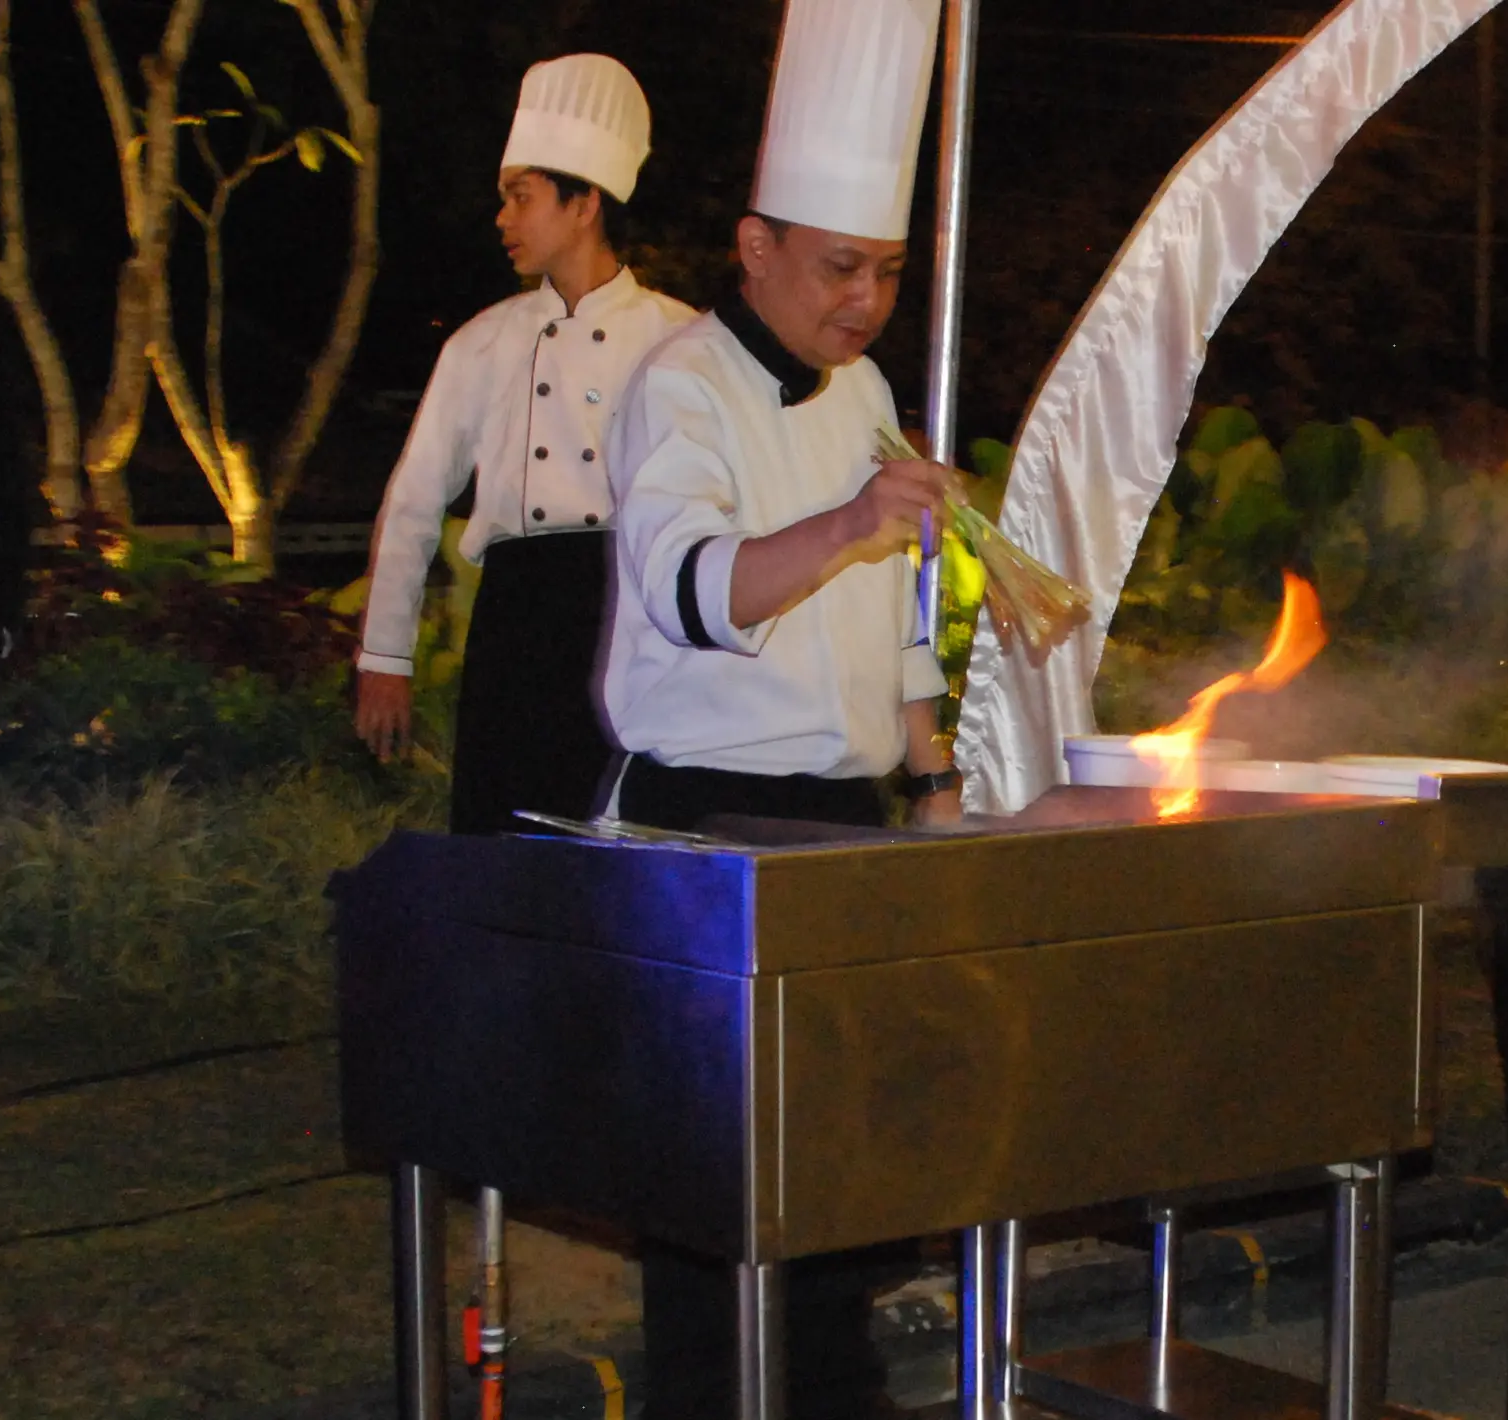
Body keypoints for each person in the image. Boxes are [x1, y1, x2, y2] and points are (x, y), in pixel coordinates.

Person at [599, 2, 956, 1412]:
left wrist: (928, 781)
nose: (863, 301)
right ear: (755, 248)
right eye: (839, 268)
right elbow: (690, 590)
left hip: (841, 819)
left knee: (847, 1194)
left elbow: (904, 618)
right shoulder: (676, 386)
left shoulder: (864, 383)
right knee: (715, 1203)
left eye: (883, 271)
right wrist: (849, 519)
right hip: (706, 828)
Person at [354, 53, 695, 835]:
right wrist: (385, 660)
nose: (502, 220)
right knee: (502, 847)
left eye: (520, 198)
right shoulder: (481, 344)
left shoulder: (681, 342)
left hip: (629, 613)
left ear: (585, 204)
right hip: (515, 615)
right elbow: (411, 505)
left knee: (622, 847)